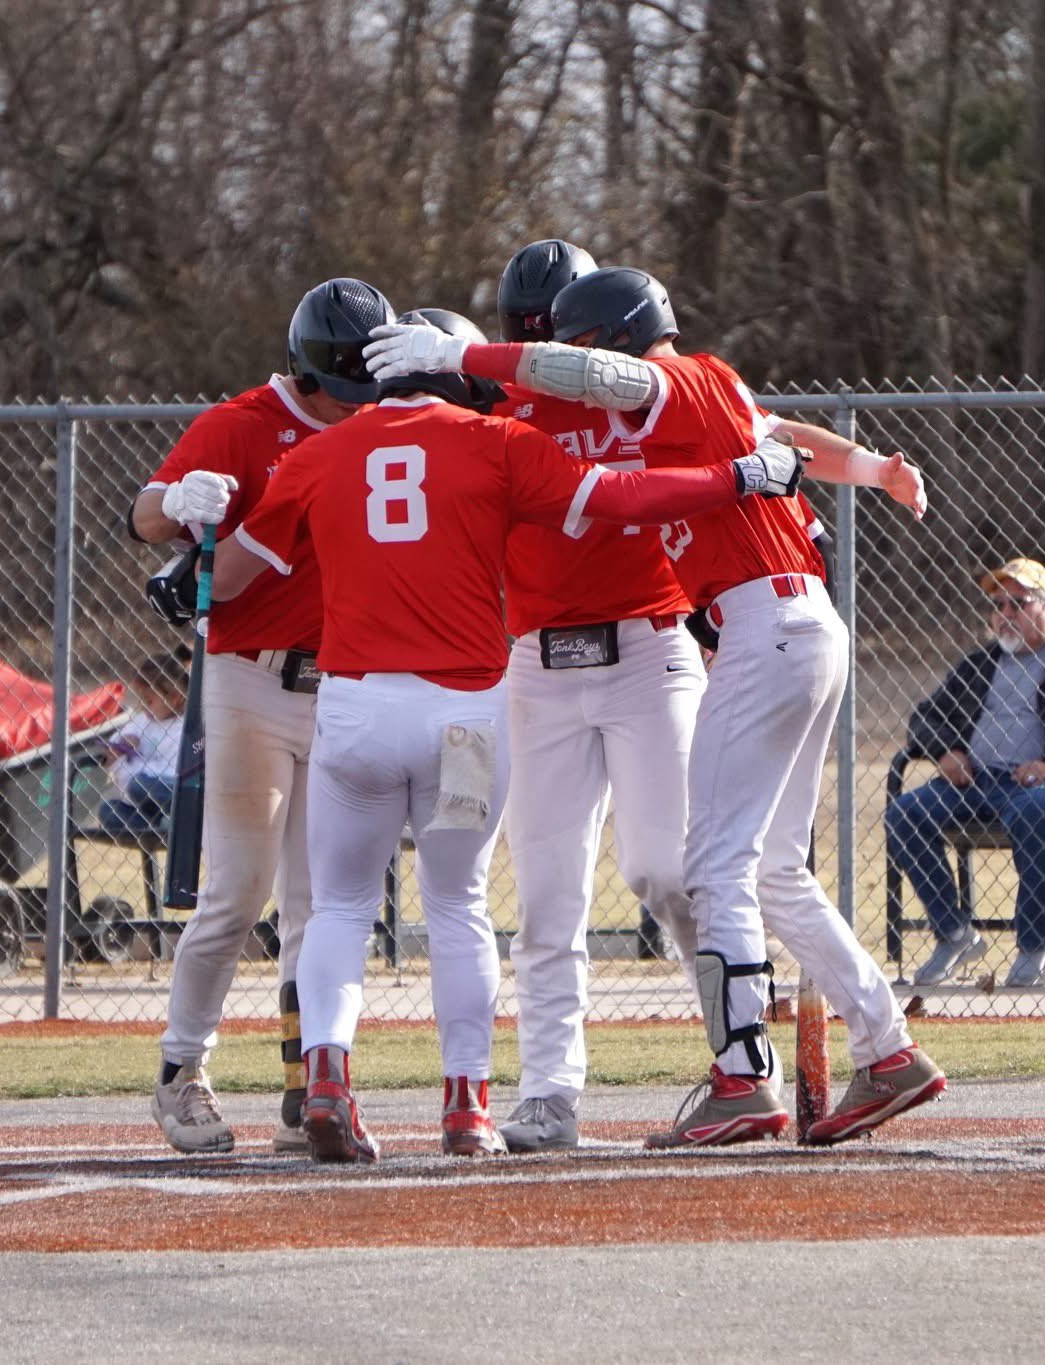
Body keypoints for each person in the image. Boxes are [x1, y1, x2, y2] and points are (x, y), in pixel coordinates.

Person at [362, 266, 946, 1149]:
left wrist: (465, 354)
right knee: (757, 870)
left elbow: (636, 391)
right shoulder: (633, 404)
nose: (557, 353)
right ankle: (883, 1047)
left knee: (701, 867)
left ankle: (744, 1074)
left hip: (713, 635)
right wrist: (872, 469)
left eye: (569, 338)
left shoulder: (670, 382)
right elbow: (767, 433)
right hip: (714, 634)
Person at [213, 303, 805, 1164]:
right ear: (454, 370)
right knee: (457, 904)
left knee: (339, 906)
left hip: (357, 711)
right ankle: (467, 1104)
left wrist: (197, 538)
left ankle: (328, 1077)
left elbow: (229, 576)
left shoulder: (318, 452)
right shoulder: (495, 442)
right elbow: (621, 496)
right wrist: (739, 477)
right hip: (463, 715)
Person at [127, 277, 385, 1157]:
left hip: (343, 682)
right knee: (236, 893)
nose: (352, 403)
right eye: (339, 387)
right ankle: (182, 1068)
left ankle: (308, 1084)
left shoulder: (373, 426)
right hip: (251, 678)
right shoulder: (240, 424)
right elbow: (143, 514)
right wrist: (179, 502)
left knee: (321, 903)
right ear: (305, 367)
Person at [486, 239, 708, 1154]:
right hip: (539, 666)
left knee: (670, 869)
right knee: (547, 898)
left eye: (563, 331)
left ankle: (741, 1051)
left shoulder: (648, 393)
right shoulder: (500, 408)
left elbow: (756, 426)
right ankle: (549, 1090)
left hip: (649, 650)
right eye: (533, 332)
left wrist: (865, 466)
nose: (551, 349)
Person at [888, 558, 1045, 988]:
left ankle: (1034, 948)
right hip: (973, 784)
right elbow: (925, 717)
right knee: (904, 813)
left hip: (1039, 790)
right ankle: (954, 934)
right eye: (998, 605)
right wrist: (945, 752)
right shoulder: (978, 665)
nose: (1005, 614)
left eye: (1018, 604)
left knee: (1037, 808)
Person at [95, 649, 189, 838]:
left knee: (139, 784)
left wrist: (129, 764)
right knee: (108, 811)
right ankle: (163, 828)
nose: (143, 707)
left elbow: (171, 776)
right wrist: (123, 743)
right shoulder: (144, 720)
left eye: (149, 701)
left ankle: (175, 824)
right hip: (146, 810)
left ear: (175, 698)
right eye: (141, 700)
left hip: (176, 800)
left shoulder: (185, 728)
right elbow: (114, 745)